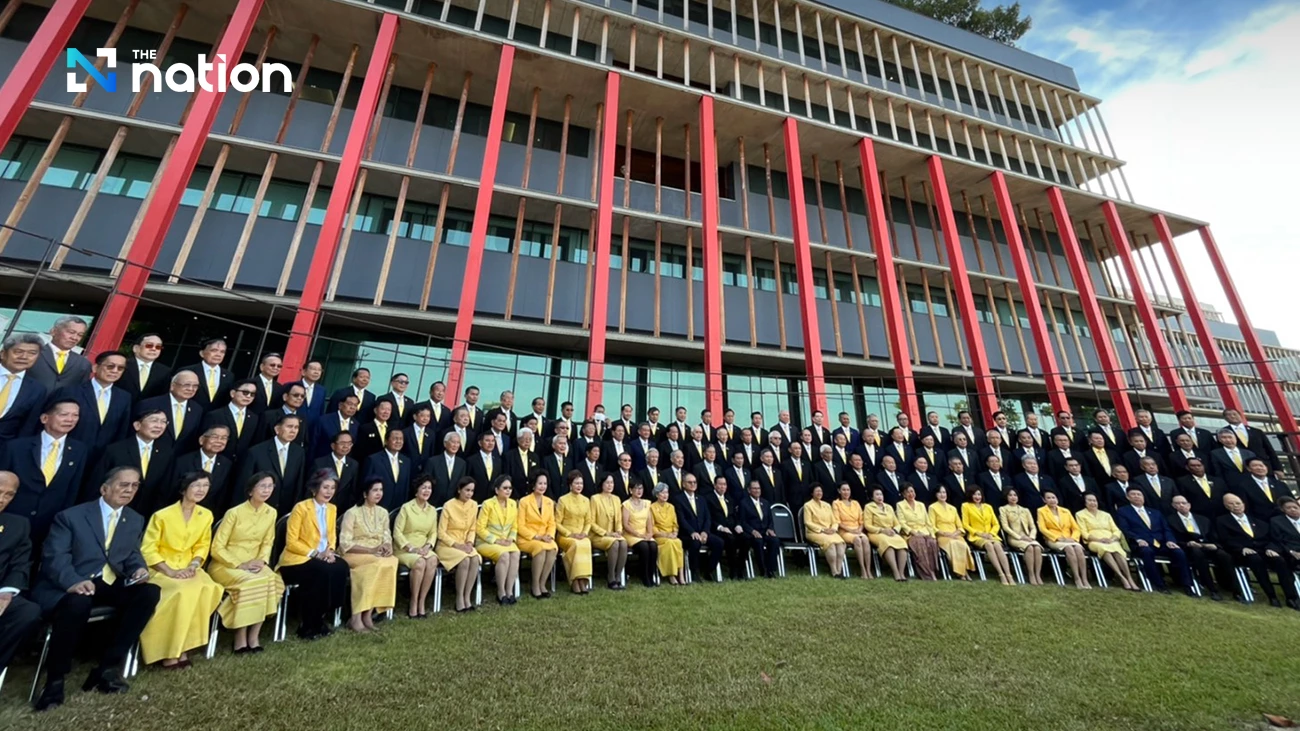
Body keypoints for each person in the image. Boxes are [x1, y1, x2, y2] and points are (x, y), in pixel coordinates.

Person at [32, 467, 161, 711]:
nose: (129, 490)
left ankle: (106, 670)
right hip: (72, 582)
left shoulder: (134, 518)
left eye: (134, 486)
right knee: (77, 602)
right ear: (104, 488)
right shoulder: (70, 517)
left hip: (110, 582)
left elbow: (132, 554)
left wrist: (138, 570)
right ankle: (54, 682)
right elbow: (55, 557)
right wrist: (73, 582)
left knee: (149, 593)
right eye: (124, 485)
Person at [137, 471, 223, 668]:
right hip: (161, 568)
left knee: (208, 588)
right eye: (196, 485)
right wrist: (170, 571)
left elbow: (203, 545)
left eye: (205, 486)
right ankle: (167, 652)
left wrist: (193, 565)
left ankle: (184, 648)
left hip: (190, 567)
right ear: (184, 489)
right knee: (181, 591)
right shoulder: (162, 515)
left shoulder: (206, 515)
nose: (201, 490)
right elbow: (148, 549)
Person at [209, 472, 283, 652]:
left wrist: (262, 561)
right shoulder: (234, 513)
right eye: (262, 486)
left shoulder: (271, 512)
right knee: (251, 583)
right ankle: (240, 638)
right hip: (227, 564)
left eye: (270, 486)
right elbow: (217, 547)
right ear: (251, 491)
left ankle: (254, 636)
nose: (266, 490)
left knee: (272, 580)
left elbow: (268, 542)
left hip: (256, 562)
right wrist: (239, 565)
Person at [0, 397, 87, 543]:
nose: (70, 420)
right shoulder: (16, 447)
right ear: (45, 418)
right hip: (13, 522)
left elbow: (72, 490)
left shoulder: (79, 450)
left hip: (49, 524)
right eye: (63, 415)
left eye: (75, 415)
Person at [276, 470, 351, 639]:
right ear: (314, 489)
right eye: (325, 487)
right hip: (297, 558)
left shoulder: (332, 509)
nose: (329, 492)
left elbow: (331, 535)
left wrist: (330, 552)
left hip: (323, 555)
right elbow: (291, 542)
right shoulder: (301, 508)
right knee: (321, 572)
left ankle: (323, 615)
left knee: (341, 567)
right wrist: (316, 554)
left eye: (332, 488)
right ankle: (308, 625)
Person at [1216, 493, 1299, 610]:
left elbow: (1270, 538)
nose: (1236, 506)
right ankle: (1272, 596)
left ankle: (1292, 597)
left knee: (1279, 560)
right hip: (1242, 552)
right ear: (1225, 505)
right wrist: (1241, 549)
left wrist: (1271, 549)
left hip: (1263, 549)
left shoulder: (1256, 520)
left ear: (1243, 505)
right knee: (1256, 560)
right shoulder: (1222, 521)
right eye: (1231, 503)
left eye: (1238, 503)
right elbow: (1225, 539)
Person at [338, 479, 399, 631]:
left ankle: (368, 614)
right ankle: (356, 617)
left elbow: (387, 535)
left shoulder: (383, 512)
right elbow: (345, 543)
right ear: (365, 493)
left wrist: (387, 547)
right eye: (375, 490)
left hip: (377, 553)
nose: (379, 493)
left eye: (381, 489)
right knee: (375, 564)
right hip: (354, 553)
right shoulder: (352, 513)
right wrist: (370, 551)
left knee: (391, 561)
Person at [0, 471, 42, 677]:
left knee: (28, 611)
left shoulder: (17, 524)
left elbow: (20, 564)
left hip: (0, 591)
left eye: (9, 495)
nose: (2, 500)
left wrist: (6, 593)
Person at [1115, 486, 1192, 595]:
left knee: (1178, 552)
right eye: (1133, 494)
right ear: (1128, 497)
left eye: (1139, 494)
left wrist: (1170, 540)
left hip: (1160, 543)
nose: (1137, 496)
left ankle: (1187, 585)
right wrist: (1138, 539)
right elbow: (1125, 529)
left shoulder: (1155, 512)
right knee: (1147, 552)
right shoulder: (1123, 511)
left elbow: (1166, 528)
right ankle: (1159, 584)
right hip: (1142, 544)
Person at [238, 413, 308, 513]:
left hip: (286, 509)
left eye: (296, 427)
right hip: (259, 508)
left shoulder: (299, 452)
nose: (293, 431)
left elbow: (299, 483)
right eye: (289, 426)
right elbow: (245, 483)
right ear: (277, 429)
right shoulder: (256, 451)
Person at [1169, 493, 1230, 601]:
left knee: (1223, 555)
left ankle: (1234, 588)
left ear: (1189, 505)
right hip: (1189, 546)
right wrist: (1187, 543)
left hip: (1206, 544)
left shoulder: (1203, 519)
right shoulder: (1171, 520)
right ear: (1173, 506)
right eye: (1178, 504)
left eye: (1184, 503)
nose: (1182, 505)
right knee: (1197, 553)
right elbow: (1174, 538)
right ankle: (1212, 589)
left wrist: (1214, 545)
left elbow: (1212, 535)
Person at [393, 474, 439, 617]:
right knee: (419, 563)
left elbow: (433, 533)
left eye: (429, 488)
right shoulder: (406, 508)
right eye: (423, 487)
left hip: (423, 548)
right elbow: (397, 532)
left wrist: (428, 546)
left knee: (432, 560)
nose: (427, 491)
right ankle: (413, 602)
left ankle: (422, 601)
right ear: (416, 490)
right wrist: (411, 548)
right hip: (405, 549)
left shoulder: (432, 510)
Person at [435, 478, 484, 612]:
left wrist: (469, 542)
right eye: (467, 490)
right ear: (459, 490)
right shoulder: (448, 505)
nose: (469, 494)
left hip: (465, 544)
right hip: (447, 546)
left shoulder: (474, 505)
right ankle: (459, 598)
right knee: (465, 560)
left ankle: (467, 597)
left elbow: (472, 528)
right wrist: (457, 545)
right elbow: (441, 533)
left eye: (472, 491)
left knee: (474, 559)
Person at [1075, 493, 1140, 591]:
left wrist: (1112, 539)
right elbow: (1083, 532)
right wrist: (1099, 540)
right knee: (1105, 550)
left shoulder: (1106, 514)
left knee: (1117, 551)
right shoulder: (1080, 514)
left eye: (1094, 500)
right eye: (1090, 500)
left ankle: (1129, 578)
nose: (1093, 503)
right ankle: (1121, 578)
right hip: (1094, 541)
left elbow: (1116, 530)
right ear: (1085, 502)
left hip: (1110, 540)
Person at [476, 475, 521, 605]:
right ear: (497, 490)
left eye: (510, 488)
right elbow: (480, 528)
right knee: (504, 555)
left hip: (506, 541)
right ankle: (501, 592)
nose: (508, 491)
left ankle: (509, 591)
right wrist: (495, 540)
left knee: (516, 553)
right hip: (487, 542)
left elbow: (514, 526)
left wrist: (511, 539)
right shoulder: (488, 504)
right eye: (505, 488)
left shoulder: (513, 504)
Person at [516, 470, 559, 598]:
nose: (542, 486)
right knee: (540, 549)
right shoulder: (524, 501)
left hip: (545, 537)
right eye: (540, 483)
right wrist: (537, 537)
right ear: (533, 485)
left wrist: (550, 536)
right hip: (527, 538)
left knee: (553, 548)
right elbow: (520, 526)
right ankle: (535, 585)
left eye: (545, 483)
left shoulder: (549, 502)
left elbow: (552, 523)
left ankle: (542, 583)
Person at [1037, 490, 1090, 589]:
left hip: (1069, 539)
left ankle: (1084, 578)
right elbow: (1042, 528)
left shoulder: (1065, 511)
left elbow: (1076, 528)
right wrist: (1058, 538)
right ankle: (1077, 578)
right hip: (1053, 540)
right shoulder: (1041, 511)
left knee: (1079, 549)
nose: (1052, 500)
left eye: (1053, 497)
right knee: (1069, 549)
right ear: (1044, 500)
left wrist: (1073, 538)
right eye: (1048, 498)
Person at [961, 487, 1013, 585]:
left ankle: (1008, 574)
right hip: (976, 536)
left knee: (997, 545)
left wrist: (991, 533)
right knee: (989, 545)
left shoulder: (988, 507)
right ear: (970, 495)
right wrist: (979, 533)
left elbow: (996, 524)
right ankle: (1001, 574)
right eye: (975, 494)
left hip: (990, 535)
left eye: (979, 494)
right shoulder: (966, 506)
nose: (977, 497)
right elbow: (965, 524)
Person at [28, 316, 91, 393]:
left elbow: (81, 392)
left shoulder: (83, 364)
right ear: (54, 331)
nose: (75, 338)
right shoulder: (32, 353)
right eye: (71, 332)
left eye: (80, 335)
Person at [555, 470, 595, 594]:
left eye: (581, 483)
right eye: (576, 483)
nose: (579, 486)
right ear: (570, 485)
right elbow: (556, 522)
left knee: (586, 542)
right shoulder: (563, 500)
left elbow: (588, 521)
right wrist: (570, 534)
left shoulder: (586, 500)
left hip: (581, 534)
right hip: (565, 535)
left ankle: (583, 579)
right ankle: (574, 580)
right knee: (576, 544)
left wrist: (584, 532)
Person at [674, 472, 717, 583]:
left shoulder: (701, 499)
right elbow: (681, 519)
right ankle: (694, 572)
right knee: (695, 543)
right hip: (687, 534)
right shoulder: (678, 499)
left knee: (719, 543)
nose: (693, 484)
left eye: (694, 482)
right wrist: (692, 532)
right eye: (690, 482)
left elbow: (708, 517)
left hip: (702, 532)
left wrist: (705, 532)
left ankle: (708, 571)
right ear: (683, 484)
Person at [590, 473, 629, 589]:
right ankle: (611, 576)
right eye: (607, 482)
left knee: (624, 543)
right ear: (602, 484)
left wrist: (618, 530)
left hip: (613, 534)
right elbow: (591, 522)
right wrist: (607, 533)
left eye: (611, 482)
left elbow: (618, 519)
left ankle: (619, 577)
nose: (609, 485)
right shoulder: (595, 498)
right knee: (615, 543)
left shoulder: (617, 499)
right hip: (599, 535)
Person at [999, 488, 1043, 586]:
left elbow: (1033, 526)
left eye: (1015, 495)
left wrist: (1031, 537)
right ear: (1006, 497)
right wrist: (1019, 537)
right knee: (1030, 548)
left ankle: (1037, 574)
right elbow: (1005, 527)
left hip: (1028, 537)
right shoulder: (1003, 509)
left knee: (1037, 548)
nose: (1013, 497)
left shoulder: (1025, 510)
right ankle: (1031, 574)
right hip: (1014, 538)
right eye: (1010, 495)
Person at [927, 486, 973, 580]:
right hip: (942, 536)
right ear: (936, 494)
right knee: (953, 544)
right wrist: (944, 533)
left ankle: (964, 571)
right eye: (940, 492)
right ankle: (961, 573)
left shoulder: (953, 508)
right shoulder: (932, 507)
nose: (942, 495)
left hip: (955, 534)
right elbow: (932, 525)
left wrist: (956, 533)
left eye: (944, 492)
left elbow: (960, 526)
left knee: (962, 545)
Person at [738, 479, 781, 579]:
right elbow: (742, 521)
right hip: (752, 532)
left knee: (775, 540)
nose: (757, 490)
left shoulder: (765, 503)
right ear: (749, 490)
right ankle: (763, 570)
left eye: (758, 488)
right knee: (758, 541)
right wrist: (752, 531)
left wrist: (770, 529)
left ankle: (771, 570)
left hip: (765, 531)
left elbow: (770, 520)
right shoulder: (744, 503)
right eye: (754, 488)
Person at [801, 485, 846, 579]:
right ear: (812, 493)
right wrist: (822, 530)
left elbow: (834, 521)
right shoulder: (808, 505)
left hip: (829, 532)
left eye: (820, 491)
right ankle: (834, 571)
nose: (819, 493)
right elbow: (807, 522)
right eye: (817, 491)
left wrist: (833, 529)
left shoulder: (827, 505)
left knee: (841, 543)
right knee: (831, 544)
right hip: (814, 532)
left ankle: (839, 571)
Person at [863, 486, 908, 581]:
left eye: (881, 494)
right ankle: (895, 572)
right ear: (872, 497)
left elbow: (897, 524)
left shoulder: (889, 507)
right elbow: (867, 525)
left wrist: (895, 530)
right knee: (888, 544)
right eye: (877, 494)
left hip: (891, 532)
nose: (880, 497)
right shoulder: (869, 507)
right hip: (876, 533)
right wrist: (882, 530)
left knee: (902, 544)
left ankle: (901, 572)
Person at [622, 480, 660, 586]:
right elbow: (625, 524)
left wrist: (649, 533)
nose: (639, 491)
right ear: (630, 490)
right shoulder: (626, 505)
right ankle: (644, 576)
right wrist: (638, 535)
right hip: (631, 534)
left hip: (644, 533)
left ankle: (651, 574)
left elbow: (649, 521)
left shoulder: (647, 503)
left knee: (653, 546)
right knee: (644, 547)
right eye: (636, 488)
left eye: (641, 488)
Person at [833, 483, 872, 580]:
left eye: (848, 490)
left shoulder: (856, 503)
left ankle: (868, 570)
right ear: (839, 491)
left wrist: (859, 529)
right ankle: (862, 569)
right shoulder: (836, 503)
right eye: (844, 490)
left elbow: (861, 520)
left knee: (865, 540)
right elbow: (837, 521)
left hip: (857, 530)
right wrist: (851, 530)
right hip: (844, 531)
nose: (846, 492)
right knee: (857, 540)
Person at [650, 484, 686, 585]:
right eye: (662, 493)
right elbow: (652, 526)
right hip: (659, 536)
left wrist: (675, 533)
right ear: (657, 495)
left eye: (667, 492)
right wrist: (665, 535)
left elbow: (675, 524)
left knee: (678, 542)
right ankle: (671, 574)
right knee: (670, 544)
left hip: (671, 535)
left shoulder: (671, 507)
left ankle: (681, 574)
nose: (665, 495)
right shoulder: (652, 507)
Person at [120, 333, 171, 402]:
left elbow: (162, 396)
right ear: (136, 348)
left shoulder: (164, 371)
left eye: (158, 347)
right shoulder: (122, 364)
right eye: (149, 345)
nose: (153, 349)